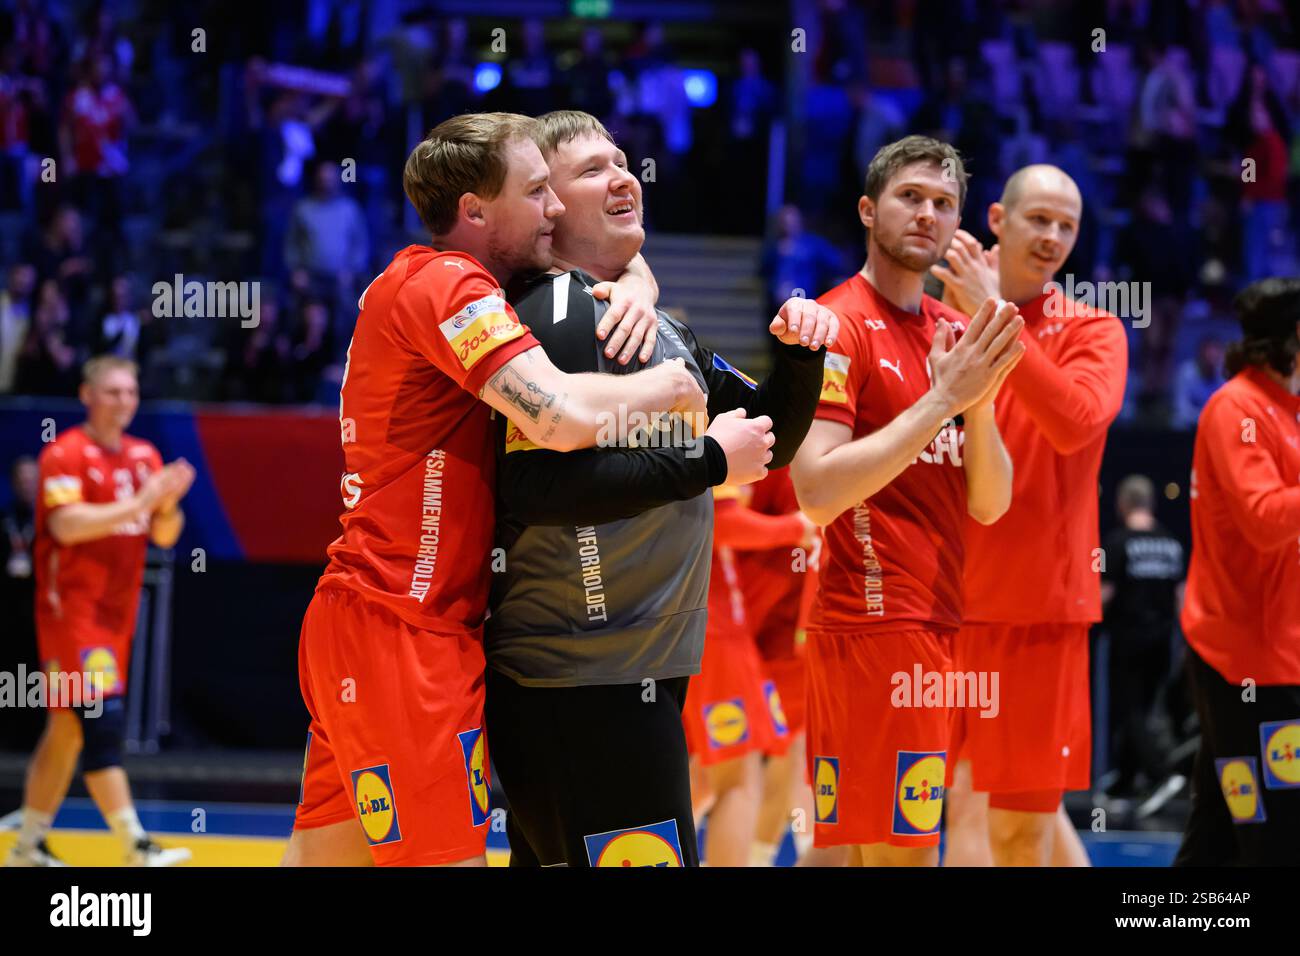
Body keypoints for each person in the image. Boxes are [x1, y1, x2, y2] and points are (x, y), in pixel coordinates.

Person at [282, 112, 705, 868]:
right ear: (475, 212)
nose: (553, 209)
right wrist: (664, 389)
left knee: (324, 860)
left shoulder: (431, 278)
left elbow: (606, 264)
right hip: (403, 629)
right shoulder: (452, 285)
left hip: (368, 621)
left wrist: (637, 280)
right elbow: (562, 418)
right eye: (537, 191)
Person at [483, 110, 831, 868]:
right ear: (546, 204)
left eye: (623, 161)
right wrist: (706, 460)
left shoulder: (657, 326)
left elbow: (766, 438)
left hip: (630, 675)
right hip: (577, 681)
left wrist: (801, 360)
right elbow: (536, 485)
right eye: (592, 170)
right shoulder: (553, 315)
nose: (623, 178)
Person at [790, 135, 1024, 867]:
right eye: (910, 198)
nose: (928, 215)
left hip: (932, 623)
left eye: (943, 204)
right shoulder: (836, 325)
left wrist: (977, 406)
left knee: (847, 856)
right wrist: (941, 400)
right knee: (902, 856)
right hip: (874, 628)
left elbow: (989, 503)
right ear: (868, 209)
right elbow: (817, 490)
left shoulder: (954, 335)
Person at [933, 164, 1127, 867]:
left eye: (1066, 225)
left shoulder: (1096, 330)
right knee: (904, 827)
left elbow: (1075, 422)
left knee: (1020, 833)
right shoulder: (935, 318)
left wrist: (993, 316)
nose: (1052, 236)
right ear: (997, 218)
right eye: (1038, 218)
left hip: (1034, 619)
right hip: (931, 610)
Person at [4, 356, 196, 867]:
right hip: (72, 612)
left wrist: (168, 503)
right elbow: (67, 526)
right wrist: (141, 502)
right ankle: (136, 844)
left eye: (130, 392)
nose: (123, 402)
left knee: (66, 728)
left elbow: (163, 535)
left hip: (117, 614)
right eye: (112, 392)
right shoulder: (65, 454)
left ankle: (26, 846)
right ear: (87, 395)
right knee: (101, 718)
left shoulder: (142, 455)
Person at [1175, 277, 1300, 866]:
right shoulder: (1237, 410)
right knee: (1274, 837)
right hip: (1247, 660)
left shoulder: (1287, 408)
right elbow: (1265, 519)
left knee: (1219, 834)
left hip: (1278, 652)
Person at [1101, 475, 1185, 800]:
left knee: (1128, 710)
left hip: (1127, 639)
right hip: (1164, 640)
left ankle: (1161, 773)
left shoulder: (1117, 542)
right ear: (1152, 503)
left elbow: (1104, 592)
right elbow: (1181, 596)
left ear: (1122, 504)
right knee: (1147, 709)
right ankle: (1125, 779)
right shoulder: (1171, 542)